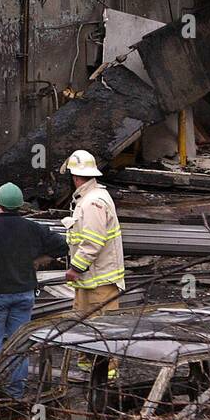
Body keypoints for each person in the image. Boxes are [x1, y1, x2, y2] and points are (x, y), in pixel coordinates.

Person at [0, 182, 68, 399]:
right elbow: (62, 246)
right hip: (24, 295)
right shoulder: (33, 228)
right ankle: (15, 394)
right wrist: (38, 261)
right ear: (20, 206)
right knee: (19, 345)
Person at [61, 149, 126, 378]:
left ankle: (107, 375)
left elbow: (93, 242)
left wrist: (75, 268)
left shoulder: (92, 202)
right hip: (90, 280)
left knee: (104, 329)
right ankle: (88, 366)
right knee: (84, 323)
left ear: (76, 176)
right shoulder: (87, 199)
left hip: (100, 280)